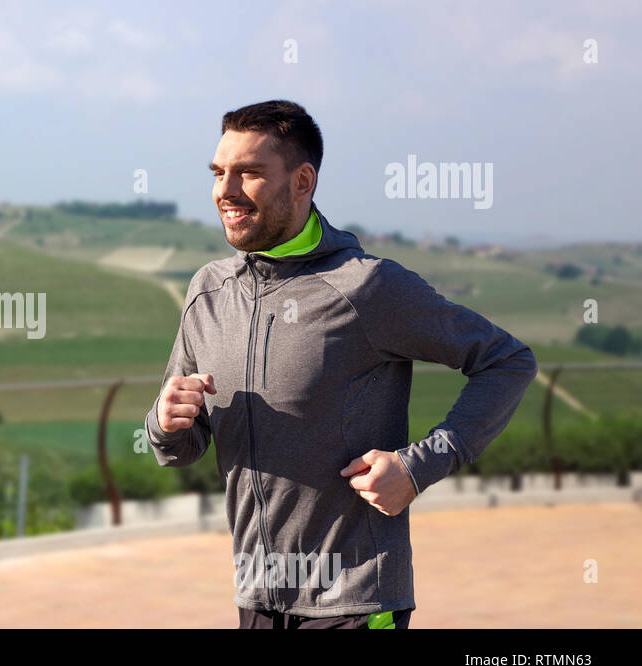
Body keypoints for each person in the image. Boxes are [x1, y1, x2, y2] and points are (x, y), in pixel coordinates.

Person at [145, 99, 538, 629]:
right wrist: (166, 423)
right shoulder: (209, 291)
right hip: (257, 599)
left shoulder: (367, 286)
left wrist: (419, 467)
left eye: (250, 173)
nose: (226, 191)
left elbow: (507, 361)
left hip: (355, 603)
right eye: (219, 173)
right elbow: (185, 446)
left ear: (302, 181)